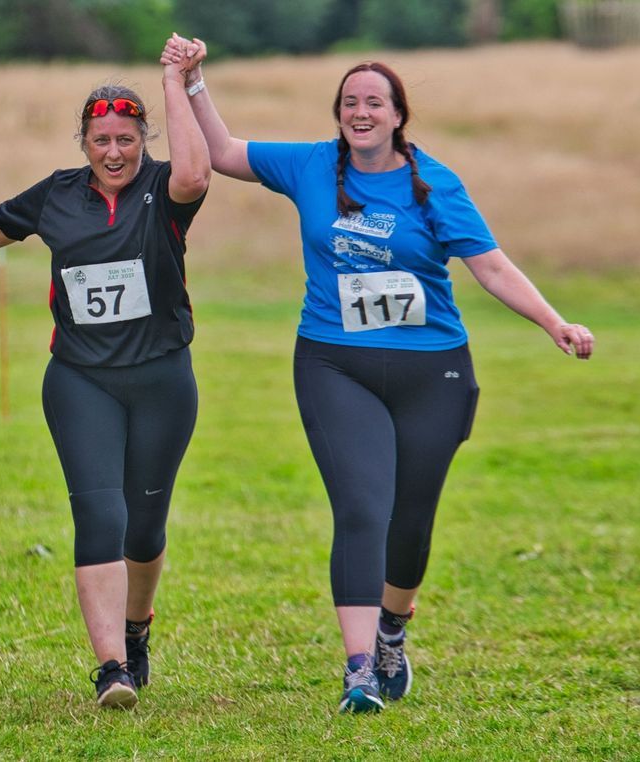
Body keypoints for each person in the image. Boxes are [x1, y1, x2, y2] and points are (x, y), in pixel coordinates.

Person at [161, 35, 594, 713]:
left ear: (397, 116)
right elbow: (222, 152)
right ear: (339, 113)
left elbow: (492, 267)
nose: (360, 111)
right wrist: (190, 82)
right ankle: (359, 667)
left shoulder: (436, 184)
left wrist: (554, 322)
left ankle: (393, 630)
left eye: (374, 102)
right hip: (336, 363)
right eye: (349, 101)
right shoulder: (310, 165)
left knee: (410, 523)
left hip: (433, 371)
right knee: (362, 509)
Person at [0, 59, 211, 709]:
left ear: (144, 139)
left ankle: (136, 626)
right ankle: (112, 669)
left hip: (161, 381)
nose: (114, 151)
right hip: (80, 380)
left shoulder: (165, 190)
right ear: (84, 145)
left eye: (127, 138)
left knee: (144, 529)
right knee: (100, 514)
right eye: (101, 141)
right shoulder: (57, 194)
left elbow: (197, 171)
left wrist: (175, 85)